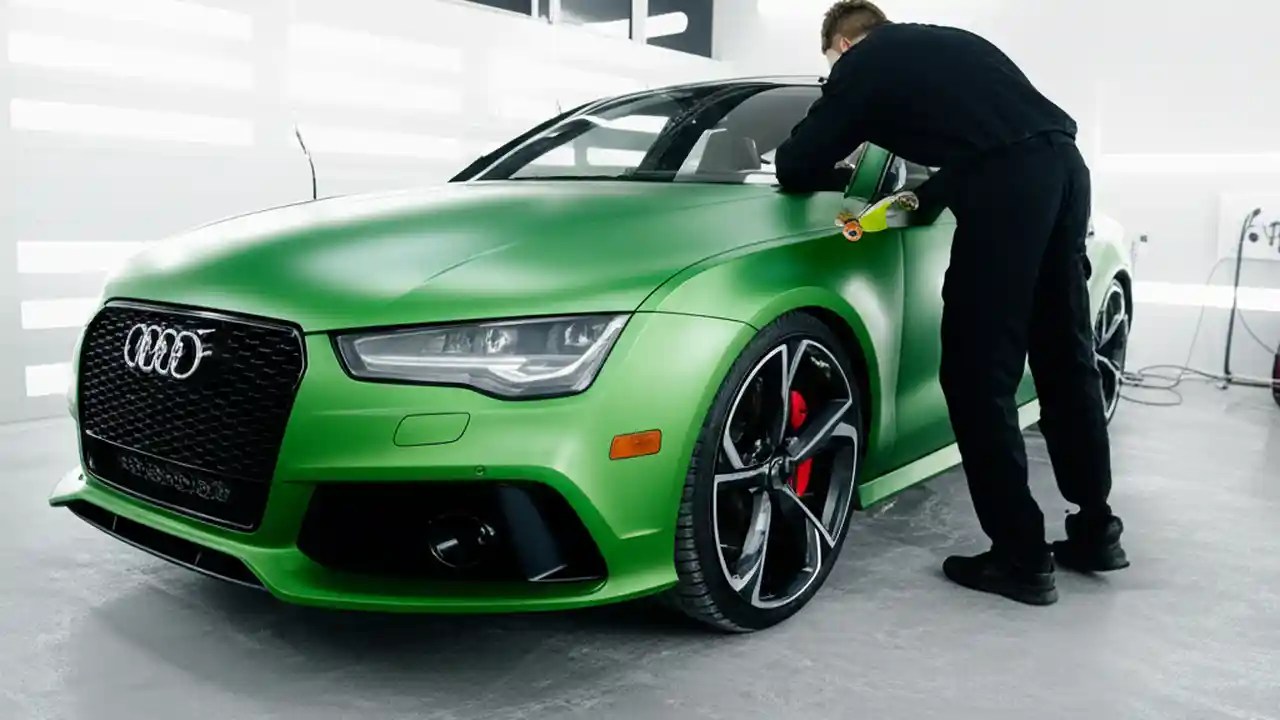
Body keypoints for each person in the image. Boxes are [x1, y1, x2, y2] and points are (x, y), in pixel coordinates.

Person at [774, 1, 1128, 606]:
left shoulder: (865, 62)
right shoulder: (946, 44)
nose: (835, 70)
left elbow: (797, 163)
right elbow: (987, 137)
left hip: (1009, 182)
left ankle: (1020, 557)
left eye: (832, 61)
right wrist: (924, 200)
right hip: (1065, 168)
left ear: (843, 44)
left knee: (975, 371)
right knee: (1064, 354)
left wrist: (835, 147)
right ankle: (1096, 530)